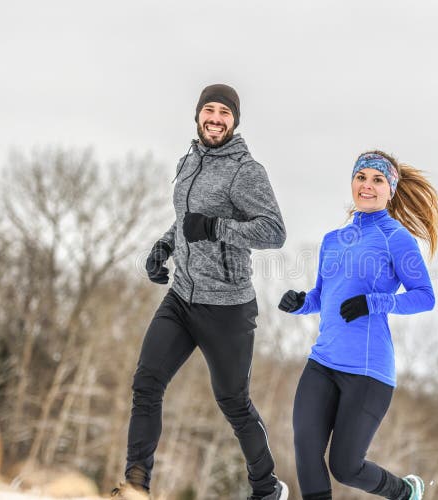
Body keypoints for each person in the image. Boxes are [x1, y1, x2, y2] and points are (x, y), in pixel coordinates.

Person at [114, 84, 289, 500]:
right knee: (146, 383)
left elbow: (274, 232)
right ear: (197, 116)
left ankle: (267, 488)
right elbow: (184, 219)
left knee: (233, 402)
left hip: (227, 306)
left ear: (235, 121)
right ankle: (136, 486)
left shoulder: (246, 171)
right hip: (182, 297)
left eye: (224, 113)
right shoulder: (189, 159)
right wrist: (164, 246)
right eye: (208, 110)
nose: (215, 118)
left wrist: (215, 227)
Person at [278, 151, 438, 500]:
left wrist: (375, 302)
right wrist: (301, 303)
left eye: (377, 179)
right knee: (306, 453)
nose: (367, 185)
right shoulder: (332, 240)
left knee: (346, 466)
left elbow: (424, 296)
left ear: (391, 190)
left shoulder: (396, 238)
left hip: (368, 372)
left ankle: (403, 492)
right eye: (361, 177)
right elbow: (324, 296)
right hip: (322, 362)